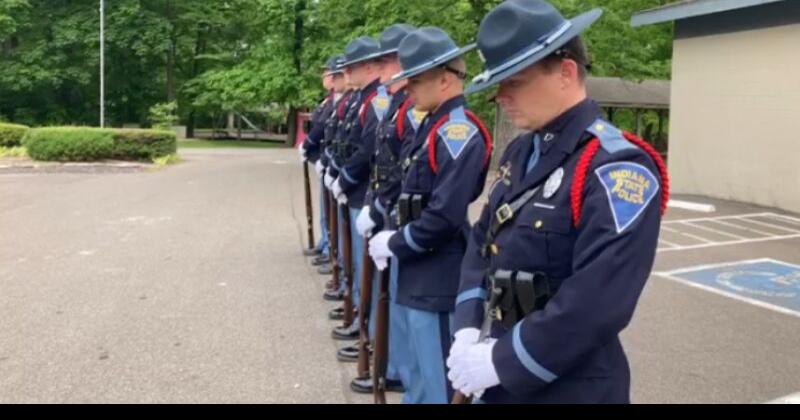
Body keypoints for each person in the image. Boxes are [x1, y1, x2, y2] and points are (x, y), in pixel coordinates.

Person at [446, 0, 669, 404]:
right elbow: (484, 241)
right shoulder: (520, 153)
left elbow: (598, 300)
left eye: (514, 81)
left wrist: (504, 361)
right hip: (496, 367)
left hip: (566, 384)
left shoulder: (617, 168)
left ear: (566, 72)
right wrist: (466, 324)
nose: (500, 97)